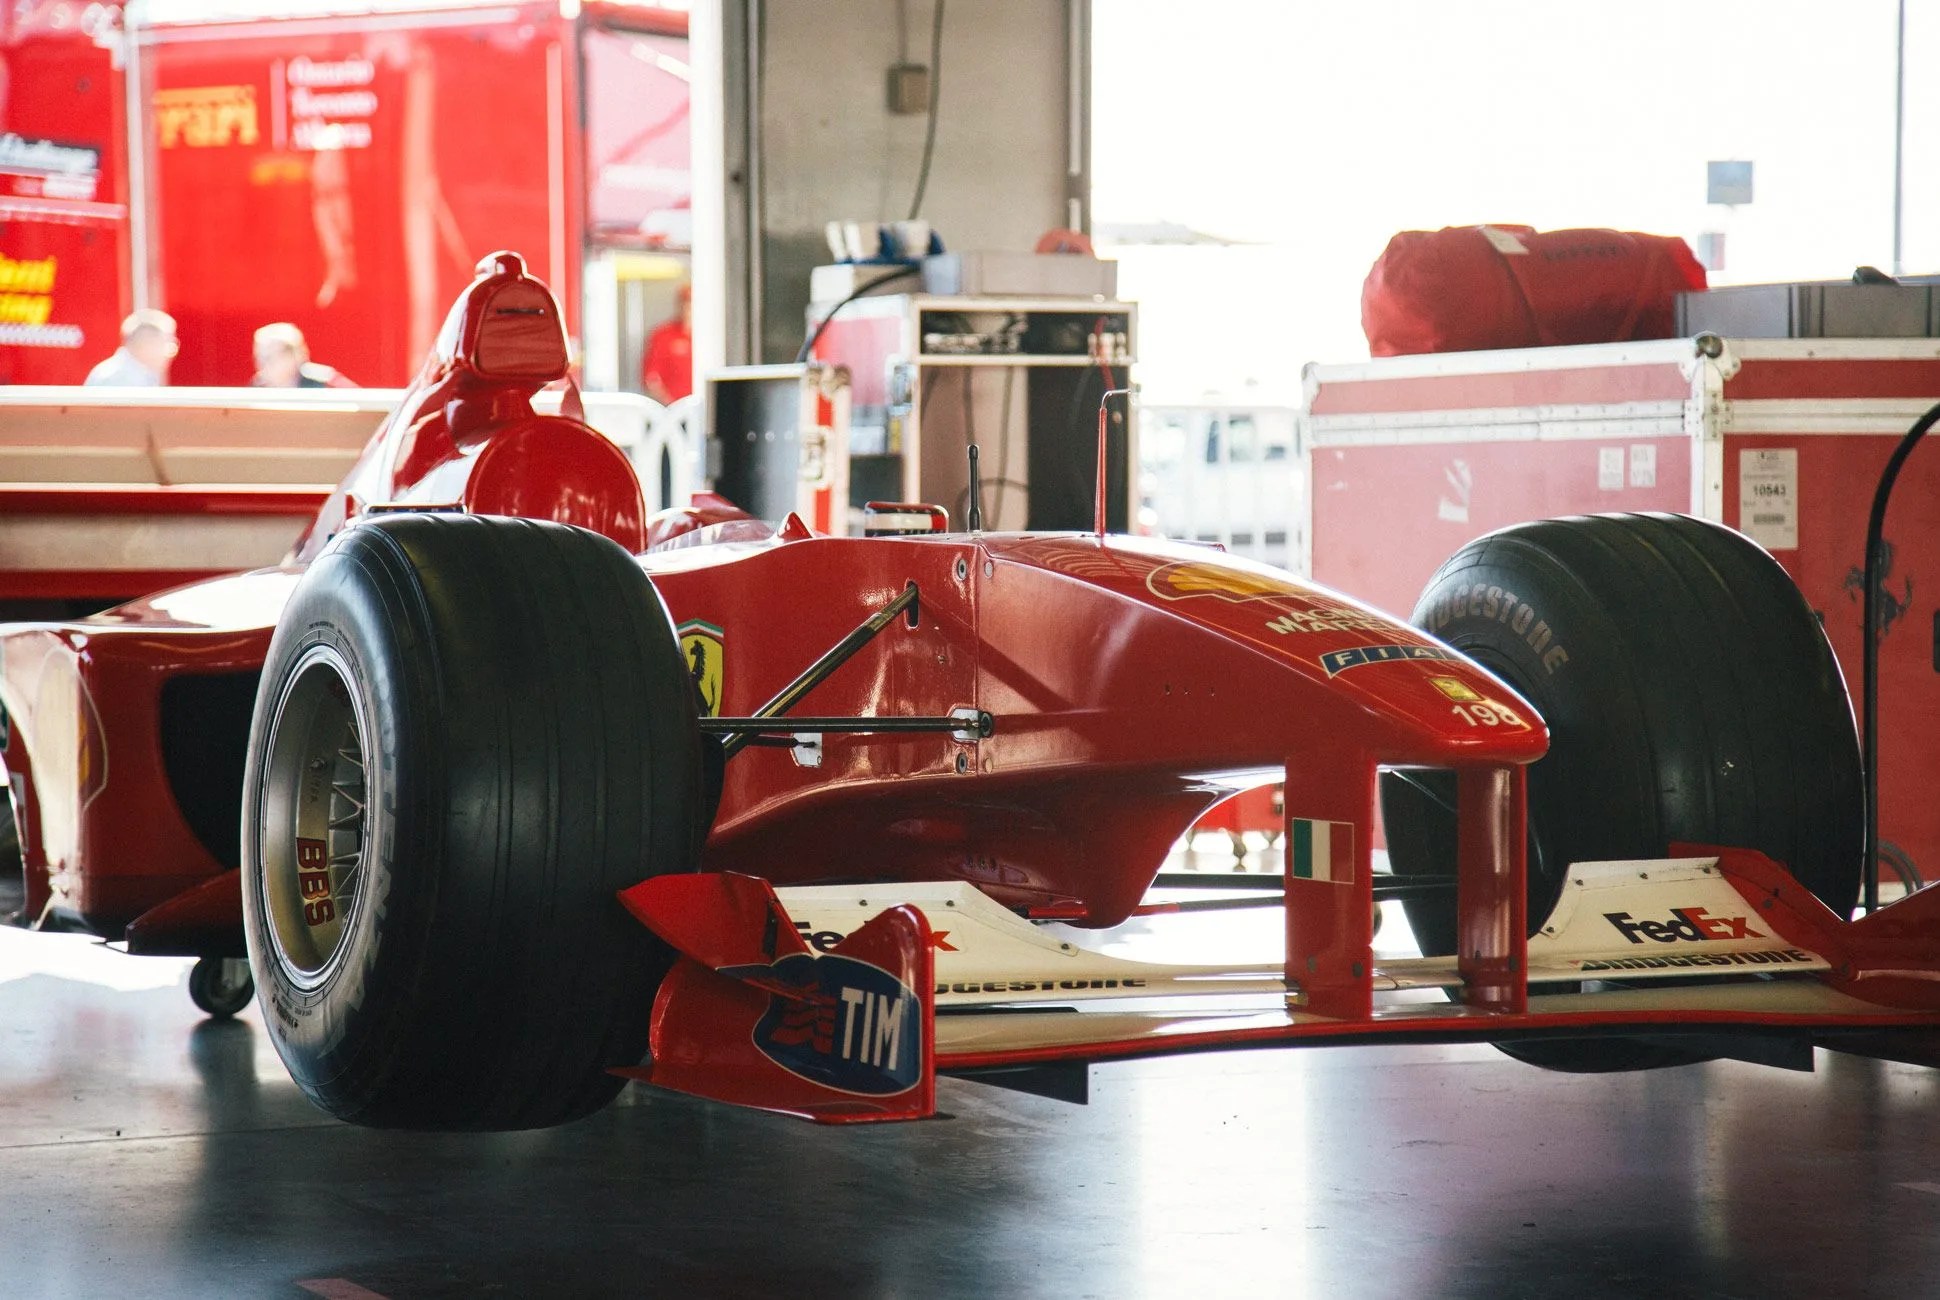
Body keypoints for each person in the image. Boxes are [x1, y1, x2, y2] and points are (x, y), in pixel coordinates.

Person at [85, 309, 179, 386]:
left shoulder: (136, 373)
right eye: (168, 343)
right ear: (147, 344)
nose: (172, 351)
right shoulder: (120, 379)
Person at [252, 322, 356, 388]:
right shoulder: (257, 388)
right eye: (260, 357)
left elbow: (360, 408)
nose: (264, 364)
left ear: (294, 355)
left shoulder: (324, 382)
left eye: (270, 357)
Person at [640, 283, 693, 404]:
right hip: (672, 411)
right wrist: (672, 407)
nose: (690, 308)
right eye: (687, 303)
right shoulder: (663, 335)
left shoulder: (711, 338)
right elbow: (652, 379)